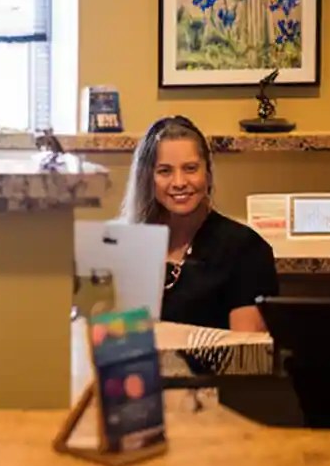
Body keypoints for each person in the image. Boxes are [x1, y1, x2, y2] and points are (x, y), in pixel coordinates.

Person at [119, 115, 277, 332]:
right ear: (147, 179)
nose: (179, 182)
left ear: (208, 174)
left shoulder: (245, 249)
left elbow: (246, 357)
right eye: (165, 171)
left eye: (190, 168)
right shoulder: (123, 247)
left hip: (211, 367)